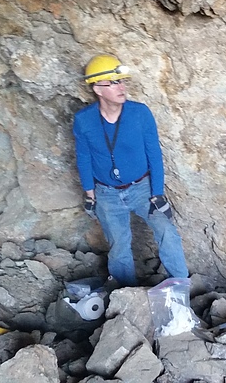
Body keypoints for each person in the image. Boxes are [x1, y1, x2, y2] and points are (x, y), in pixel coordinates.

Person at [73, 54, 188, 287]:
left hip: (142, 188)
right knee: (118, 244)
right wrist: (89, 193)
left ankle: (181, 286)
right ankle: (125, 295)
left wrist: (157, 193)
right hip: (106, 193)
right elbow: (84, 156)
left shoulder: (139, 113)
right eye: (113, 82)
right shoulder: (83, 120)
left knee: (166, 231)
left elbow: (154, 154)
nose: (121, 87)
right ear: (97, 88)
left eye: (122, 81)